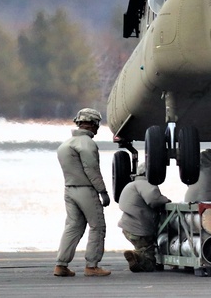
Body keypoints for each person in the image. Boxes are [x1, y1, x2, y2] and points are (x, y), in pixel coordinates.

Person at [53, 108, 112, 278]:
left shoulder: (65, 145)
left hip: (69, 189)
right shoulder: (86, 143)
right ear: (93, 124)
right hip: (86, 189)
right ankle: (92, 265)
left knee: (72, 226)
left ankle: (61, 264)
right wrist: (103, 191)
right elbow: (91, 169)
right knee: (97, 226)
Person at [117, 162, 171, 272]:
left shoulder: (131, 185)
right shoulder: (145, 184)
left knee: (143, 248)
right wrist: (166, 200)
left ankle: (137, 256)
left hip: (127, 226)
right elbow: (154, 200)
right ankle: (138, 258)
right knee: (150, 263)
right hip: (140, 230)